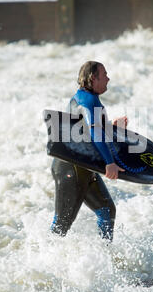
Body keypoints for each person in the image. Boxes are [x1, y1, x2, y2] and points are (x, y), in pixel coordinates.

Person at [50, 61, 127, 242]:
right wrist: (109, 162)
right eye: (105, 74)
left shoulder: (84, 97)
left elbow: (86, 130)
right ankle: (42, 262)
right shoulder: (89, 100)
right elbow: (94, 133)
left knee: (106, 211)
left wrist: (111, 127)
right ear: (93, 78)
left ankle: (104, 254)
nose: (108, 78)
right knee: (62, 223)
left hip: (83, 167)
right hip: (72, 169)